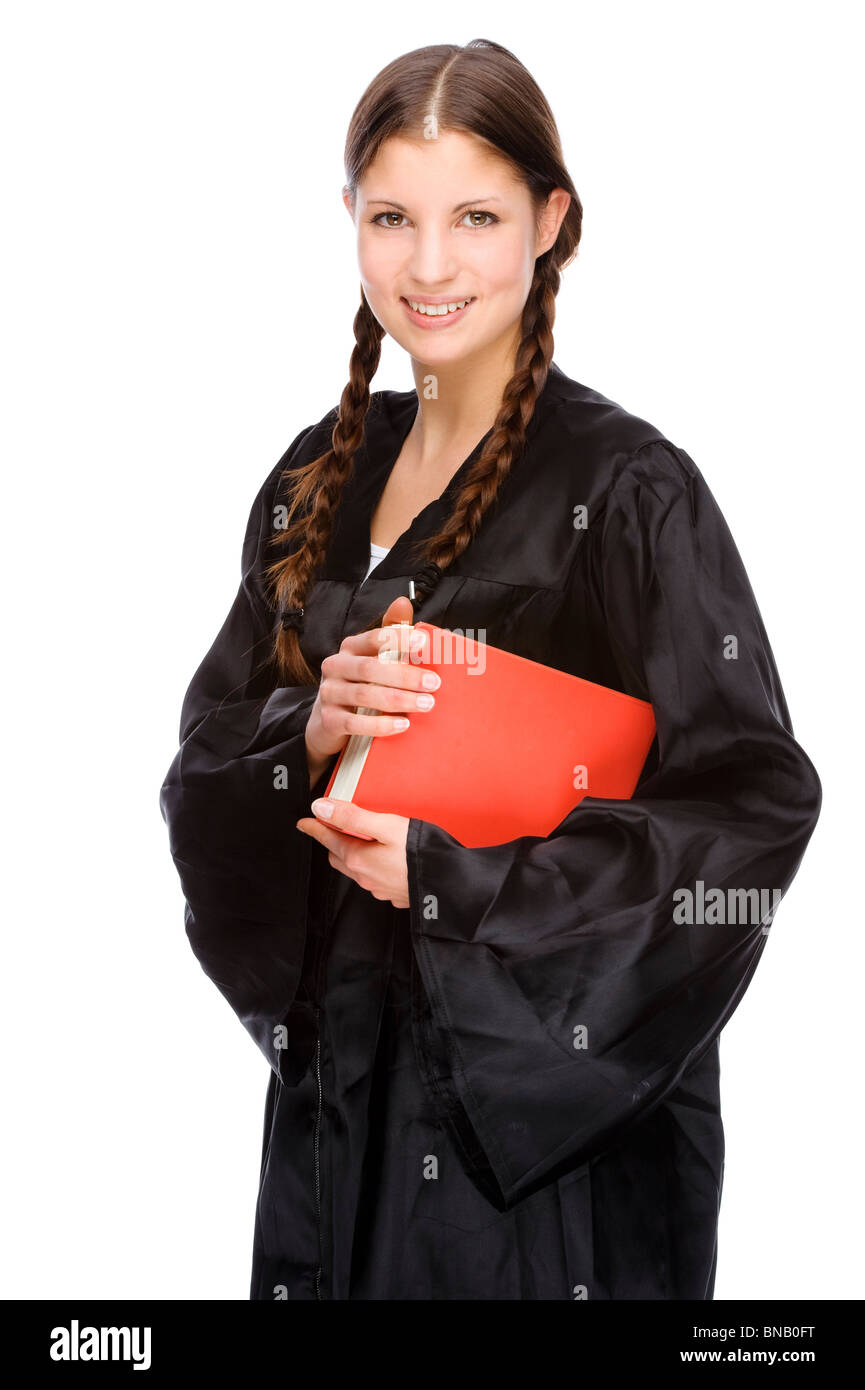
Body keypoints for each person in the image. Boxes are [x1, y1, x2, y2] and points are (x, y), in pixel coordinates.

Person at [159, 38, 821, 1301]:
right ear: (349, 218)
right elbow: (200, 776)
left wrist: (457, 881)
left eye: (476, 216)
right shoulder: (313, 482)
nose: (429, 264)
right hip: (333, 1124)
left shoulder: (629, 493)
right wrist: (303, 733)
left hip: (534, 1152)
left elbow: (747, 814)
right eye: (392, 216)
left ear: (550, 221)